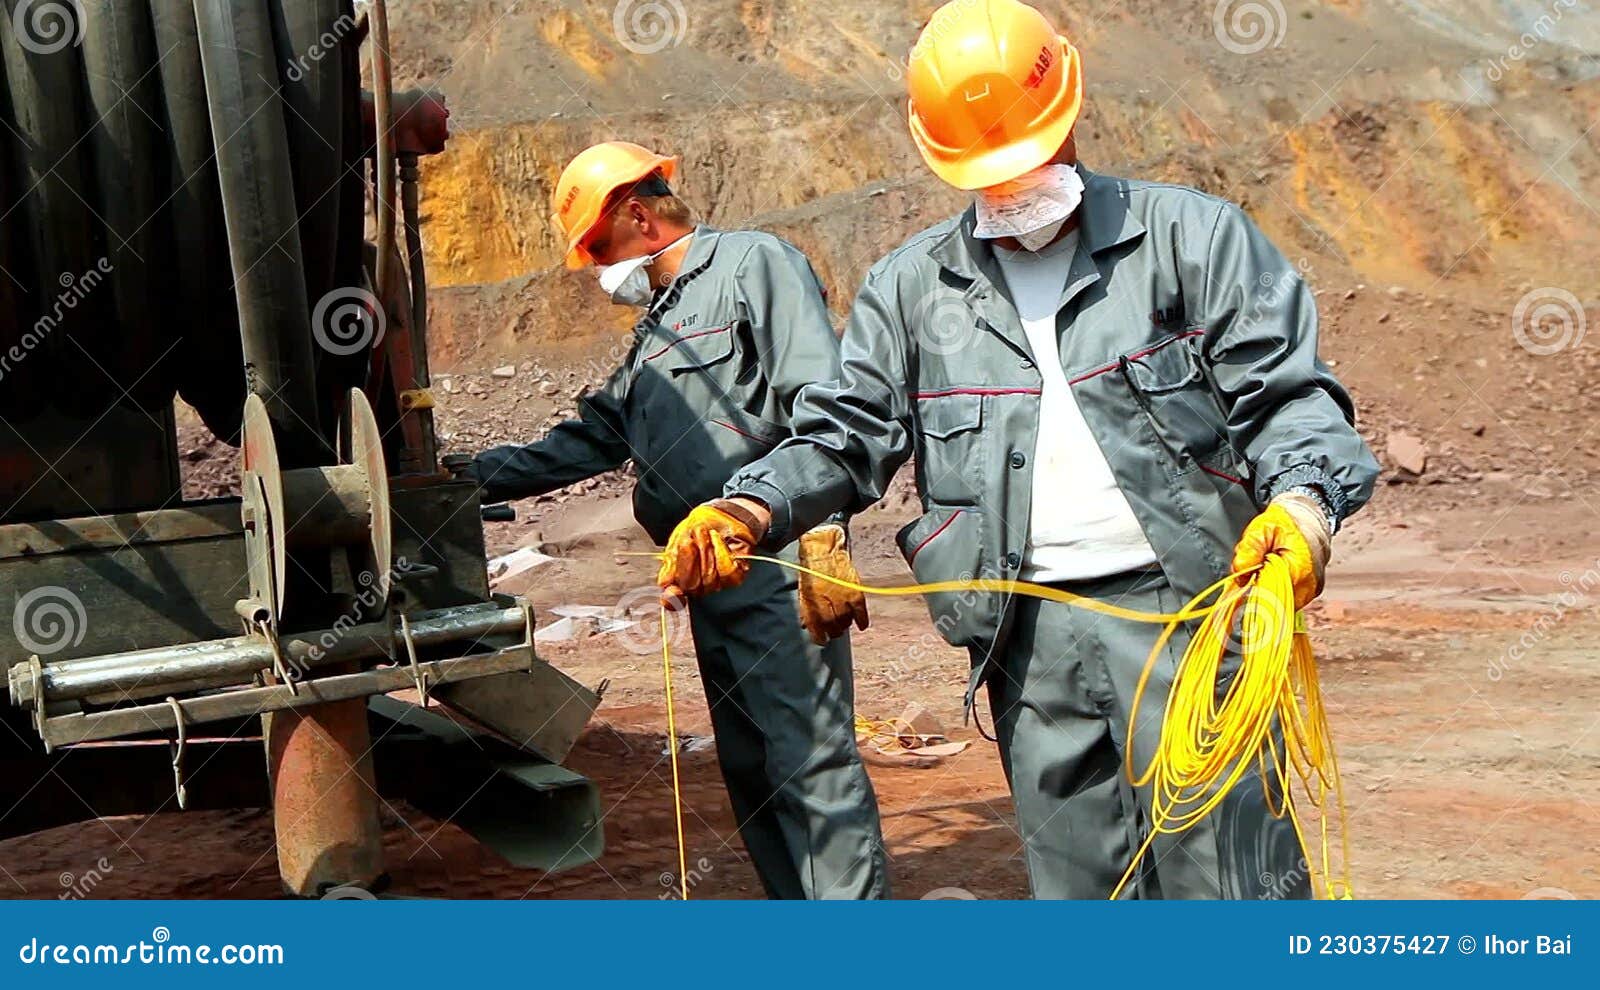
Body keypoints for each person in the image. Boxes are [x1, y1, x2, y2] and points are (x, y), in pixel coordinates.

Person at [655, 1, 1380, 899]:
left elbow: (1289, 398)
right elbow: (847, 431)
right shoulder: (913, 287)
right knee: (1078, 895)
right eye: (989, 169)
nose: (1012, 182)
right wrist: (751, 504)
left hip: (1191, 617)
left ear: (1069, 111)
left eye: (1027, 155)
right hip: (1027, 645)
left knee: (1230, 886)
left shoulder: (1193, 240)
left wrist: (1303, 506)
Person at [464, 141, 887, 899]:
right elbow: (593, 437)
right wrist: (458, 479)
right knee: (752, 767)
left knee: (811, 765)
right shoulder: (656, 330)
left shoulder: (754, 266)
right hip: (707, 579)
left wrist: (824, 529)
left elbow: (823, 408)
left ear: (637, 214)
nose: (598, 270)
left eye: (599, 248)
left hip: (775, 568)